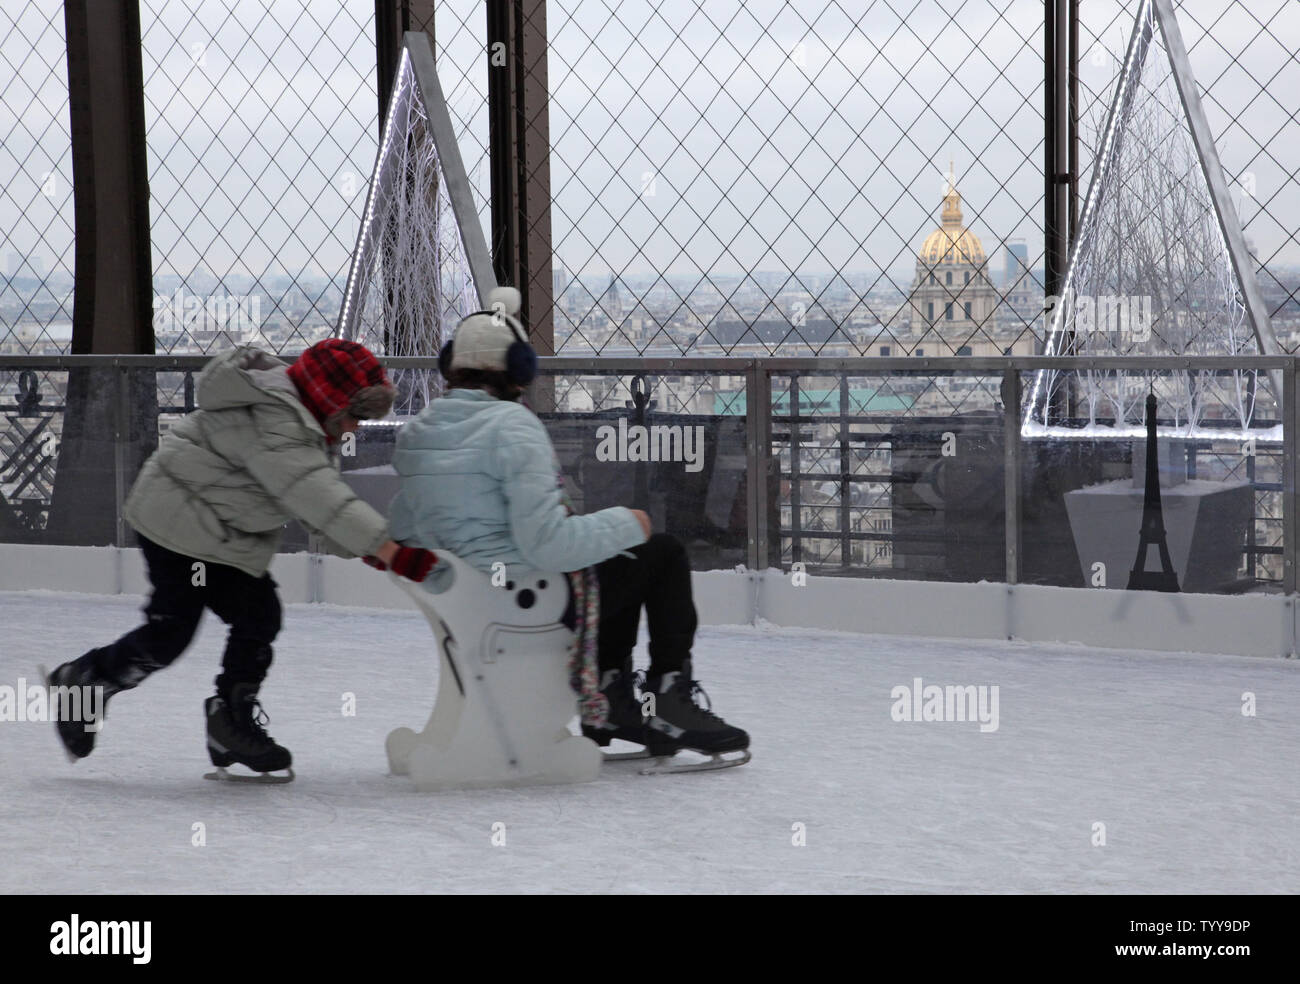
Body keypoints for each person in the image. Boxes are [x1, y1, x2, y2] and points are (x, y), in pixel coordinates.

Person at [46, 340, 438, 778]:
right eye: (355, 416)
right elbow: (321, 497)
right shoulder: (281, 425)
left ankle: (228, 720)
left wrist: (371, 551)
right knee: (171, 633)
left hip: (219, 534)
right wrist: (390, 549)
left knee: (258, 615)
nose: (355, 429)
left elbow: (314, 505)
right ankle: (84, 682)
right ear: (328, 402)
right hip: (179, 527)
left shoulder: (295, 418)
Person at [388, 287, 748, 762]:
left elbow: (404, 528)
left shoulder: (418, 433)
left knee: (618, 561)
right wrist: (627, 522)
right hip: (529, 600)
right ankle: (667, 697)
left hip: (469, 604)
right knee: (659, 553)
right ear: (516, 370)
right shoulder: (512, 427)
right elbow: (548, 545)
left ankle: (615, 696)